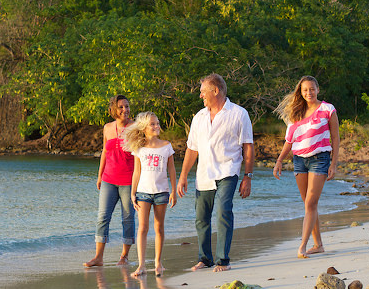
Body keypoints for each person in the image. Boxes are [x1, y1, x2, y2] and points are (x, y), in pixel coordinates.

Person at [177, 73, 254, 272]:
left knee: (223, 211)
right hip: (204, 174)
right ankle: (205, 259)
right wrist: (183, 176)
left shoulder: (239, 113)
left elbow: (248, 146)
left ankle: (222, 260)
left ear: (216, 91)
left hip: (228, 171)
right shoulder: (199, 117)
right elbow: (192, 149)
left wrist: (248, 176)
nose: (200, 96)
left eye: (203, 92)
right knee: (201, 218)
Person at [272, 76, 340, 259]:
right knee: (309, 204)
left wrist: (333, 163)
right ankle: (318, 245)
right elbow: (289, 141)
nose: (308, 93)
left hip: (320, 159)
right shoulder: (295, 114)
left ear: (318, 89)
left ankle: (302, 246)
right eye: (305, 90)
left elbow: (335, 138)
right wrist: (279, 161)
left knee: (311, 203)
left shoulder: (328, 109)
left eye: (311, 89)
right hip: (299, 160)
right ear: (300, 93)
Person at [122, 112, 177, 278]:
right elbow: (136, 172)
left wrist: (174, 190)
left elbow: (172, 170)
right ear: (144, 128)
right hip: (143, 192)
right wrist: (133, 192)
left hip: (162, 192)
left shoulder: (166, 146)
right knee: (143, 228)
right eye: (152, 124)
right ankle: (141, 265)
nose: (156, 126)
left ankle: (158, 263)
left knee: (159, 227)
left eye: (157, 123)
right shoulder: (140, 148)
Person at [84, 95, 136, 267]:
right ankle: (98, 257)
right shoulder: (107, 128)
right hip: (108, 179)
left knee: (127, 218)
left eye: (127, 106)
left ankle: (124, 256)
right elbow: (105, 153)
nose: (125, 110)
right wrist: (99, 176)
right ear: (114, 110)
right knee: (102, 217)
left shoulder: (135, 128)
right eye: (121, 107)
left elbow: (140, 155)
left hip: (128, 180)